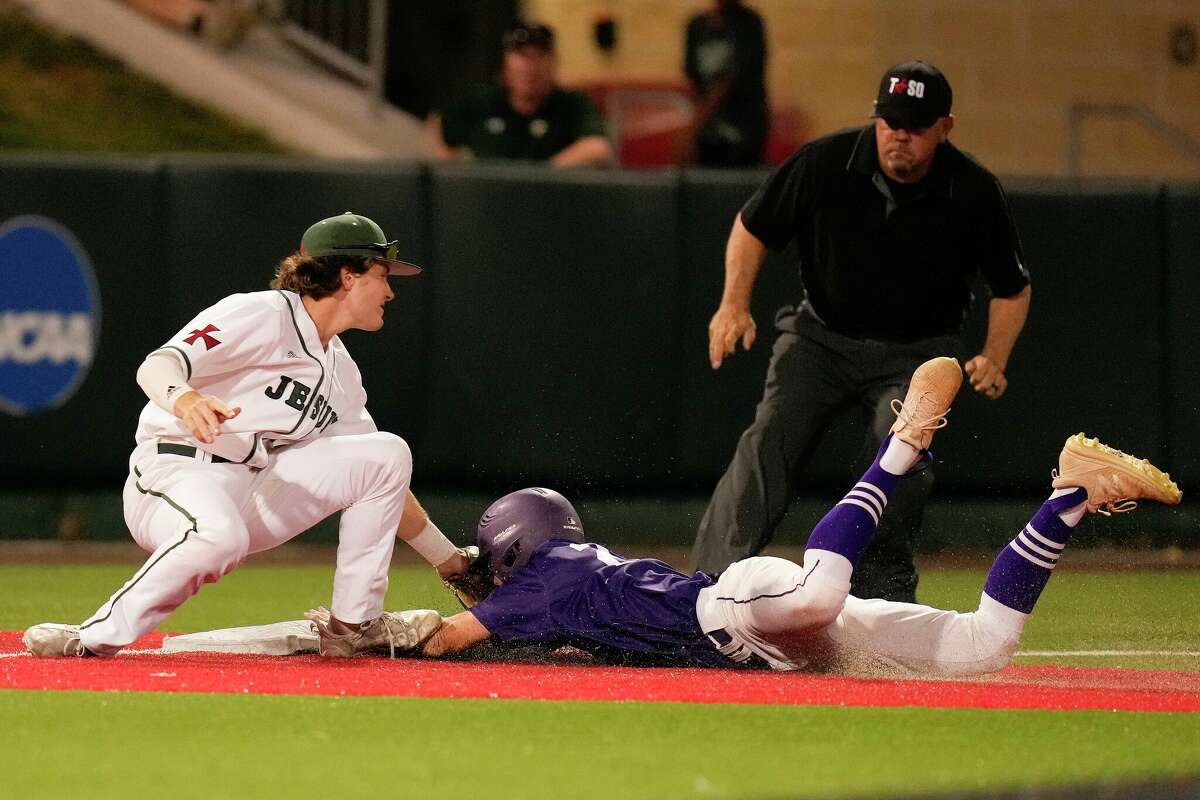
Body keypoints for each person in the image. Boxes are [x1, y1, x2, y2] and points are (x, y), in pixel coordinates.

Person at [176, 358, 1180, 673]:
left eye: (501, 560)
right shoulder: (560, 584)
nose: (501, 573)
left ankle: (902, 447)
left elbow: (446, 637)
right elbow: (501, 612)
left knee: (823, 585)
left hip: (744, 609)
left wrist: (330, 632)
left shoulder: (552, 584)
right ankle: (1070, 492)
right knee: (983, 648)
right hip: (779, 639)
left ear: (518, 548)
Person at [22, 212, 474, 659]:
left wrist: (449, 562)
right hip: (177, 471)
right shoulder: (260, 313)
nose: (391, 291)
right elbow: (157, 366)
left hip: (255, 485)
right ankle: (93, 636)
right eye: (382, 275)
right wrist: (186, 400)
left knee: (385, 454)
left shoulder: (342, 371)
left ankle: (353, 626)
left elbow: (385, 485)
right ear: (348, 275)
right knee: (219, 537)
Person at [693, 60, 1033, 602]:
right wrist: (733, 304)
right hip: (821, 336)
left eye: (916, 125)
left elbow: (1012, 287)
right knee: (768, 441)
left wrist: (995, 354)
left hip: (918, 353)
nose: (900, 134)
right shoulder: (823, 163)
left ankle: (878, 600)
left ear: (945, 127)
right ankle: (706, 589)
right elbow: (752, 226)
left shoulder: (972, 190)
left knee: (897, 453)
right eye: (890, 120)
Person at [429, 21, 614, 168]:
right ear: (506, 62)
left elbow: (598, 149)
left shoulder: (573, 104)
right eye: (522, 55)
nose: (530, 66)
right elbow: (439, 125)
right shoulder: (483, 102)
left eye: (539, 55)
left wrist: (536, 181)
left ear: (554, 62)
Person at [682, 0, 770, 167]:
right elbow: (692, 79)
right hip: (708, 133)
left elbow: (732, 78)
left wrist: (693, 128)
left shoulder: (749, 24)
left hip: (744, 129)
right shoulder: (697, 25)